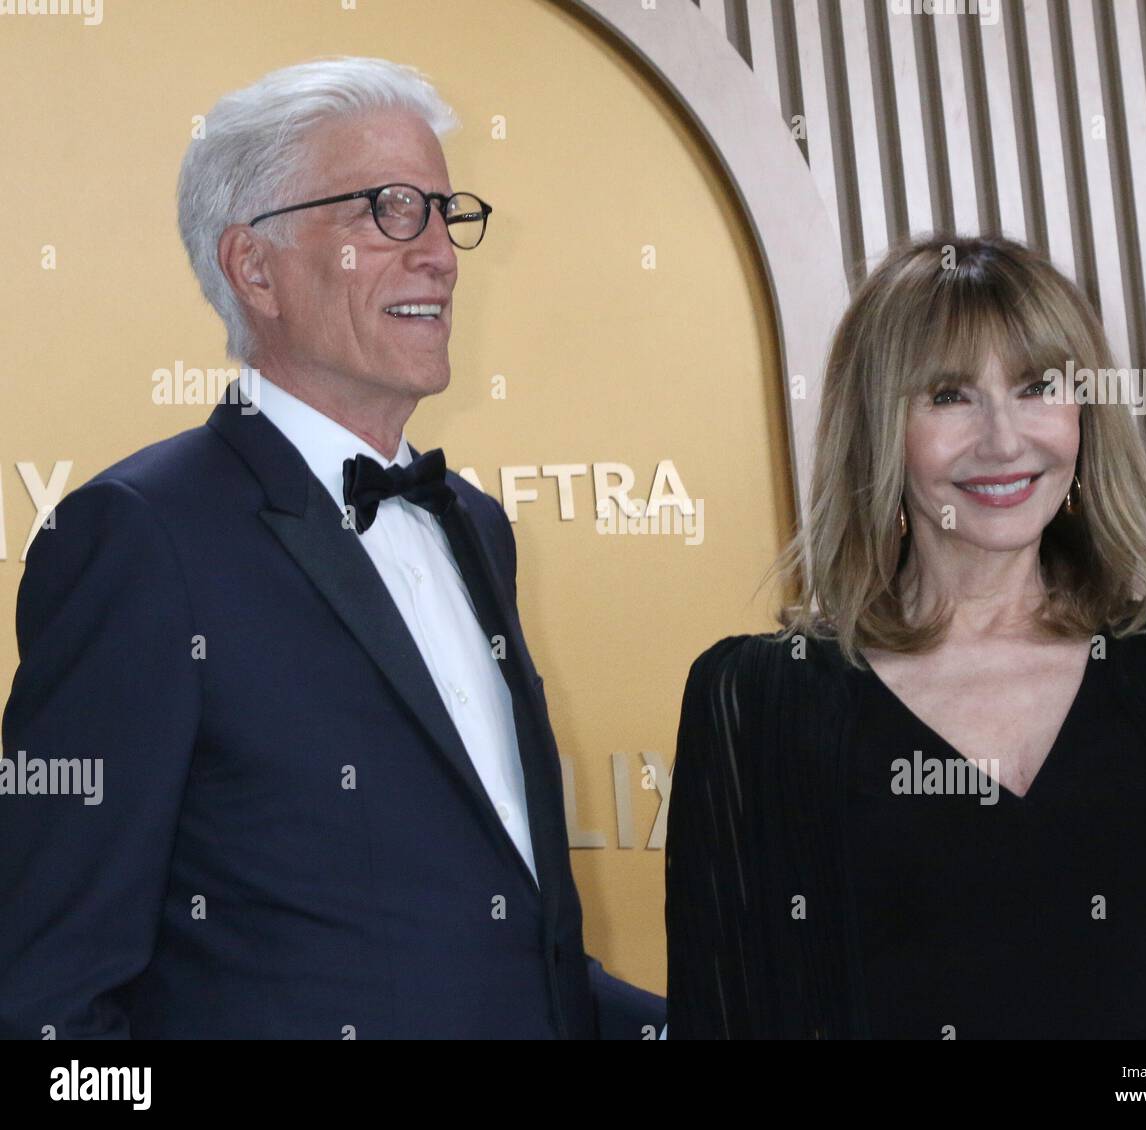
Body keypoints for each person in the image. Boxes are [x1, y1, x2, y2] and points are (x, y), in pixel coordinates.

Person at [0, 56, 662, 1039]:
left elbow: (504, 948)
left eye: (444, 212)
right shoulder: (140, 536)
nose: (439, 252)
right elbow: (45, 1004)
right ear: (254, 267)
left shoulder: (473, 528)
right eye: (388, 210)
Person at [665, 236, 1146, 1039]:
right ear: (876, 429)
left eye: (1038, 387)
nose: (1004, 440)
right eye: (948, 396)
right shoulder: (758, 704)